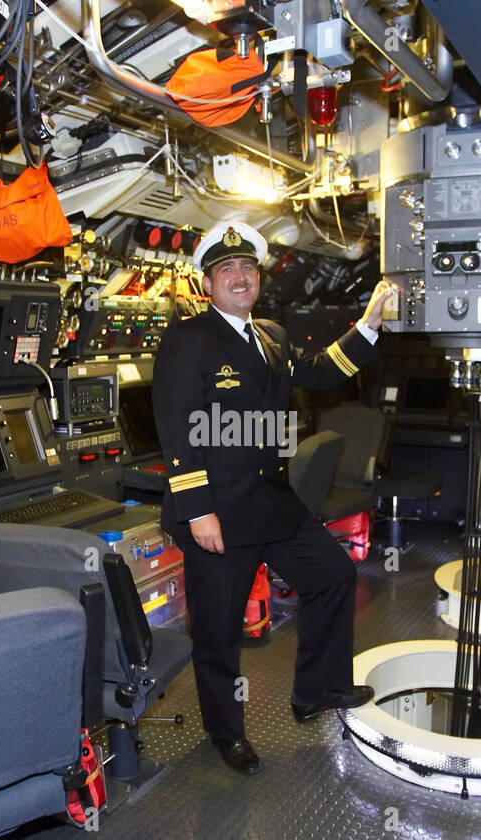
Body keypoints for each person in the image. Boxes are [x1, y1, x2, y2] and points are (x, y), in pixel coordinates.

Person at [152, 220, 399, 774]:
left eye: (247, 268)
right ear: (208, 284)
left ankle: (319, 689)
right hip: (216, 511)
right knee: (219, 632)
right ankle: (225, 733)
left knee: (333, 575)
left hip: (271, 502)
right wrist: (197, 511)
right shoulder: (189, 339)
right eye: (227, 270)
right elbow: (175, 429)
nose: (240, 277)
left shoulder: (272, 336)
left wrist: (368, 325)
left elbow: (319, 373)